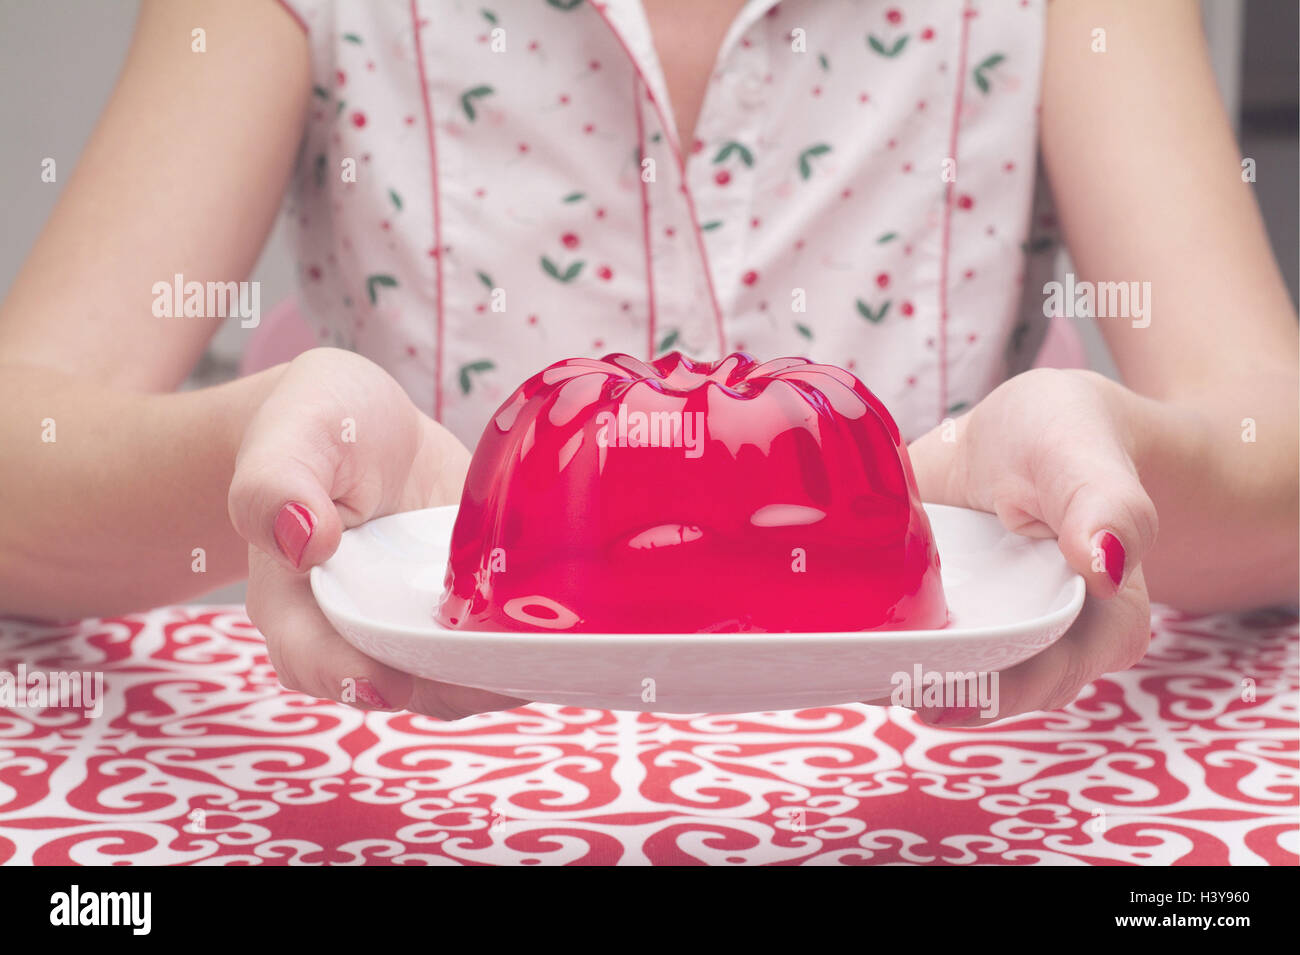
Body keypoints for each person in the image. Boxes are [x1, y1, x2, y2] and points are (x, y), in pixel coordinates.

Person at [0, 0, 1295, 726]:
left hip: (940, 794)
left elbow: (1275, 454)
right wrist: (263, 458)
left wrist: (1090, 468)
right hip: (418, 803)